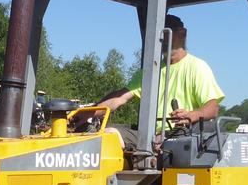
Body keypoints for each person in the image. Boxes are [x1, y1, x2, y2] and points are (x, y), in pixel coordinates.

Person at [96, 14, 224, 134]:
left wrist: (191, 115)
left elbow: (212, 108)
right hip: (149, 134)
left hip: (180, 135)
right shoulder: (150, 71)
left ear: (183, 34)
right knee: (105, 134)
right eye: (158, 35)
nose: (163, 39)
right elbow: (120, 97)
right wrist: (89, 112)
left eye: (167, 33)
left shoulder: (197, 67)